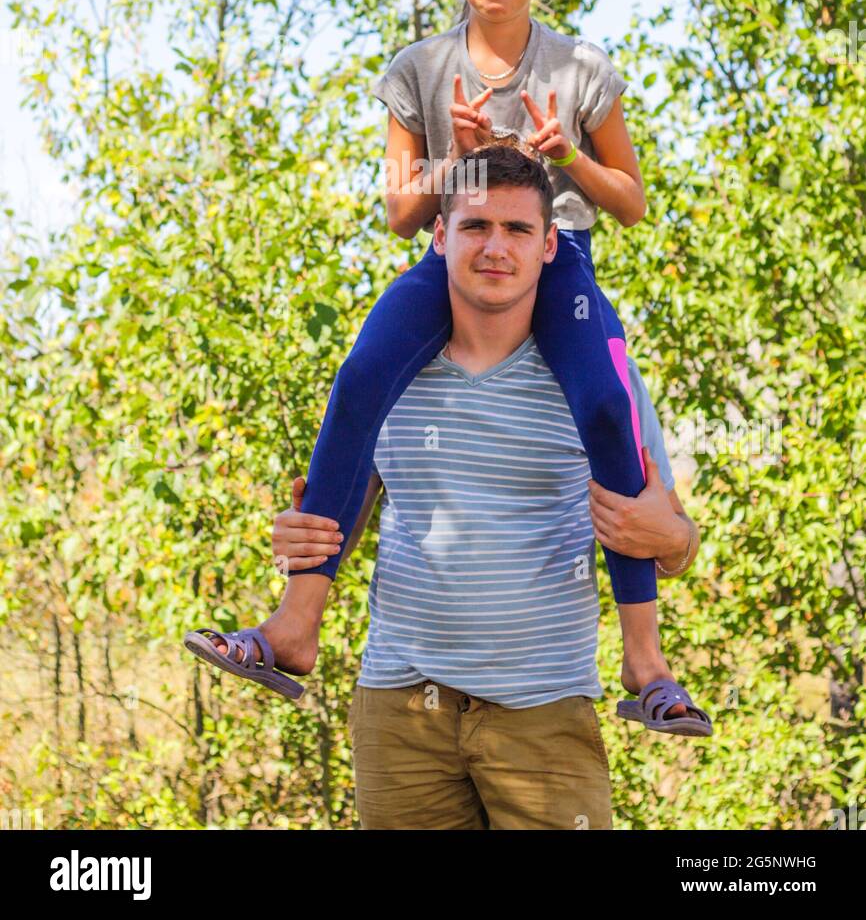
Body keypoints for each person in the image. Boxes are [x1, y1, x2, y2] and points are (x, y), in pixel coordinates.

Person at [183, 0, 709, 733]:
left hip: (556, 253)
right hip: (450, 253)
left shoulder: (580, 69)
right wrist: (451, 156)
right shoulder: (419, 69)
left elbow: (631, 201)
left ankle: (646, 662)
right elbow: (399, 212)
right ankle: (295, 627)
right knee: (358, 382)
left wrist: (568, 157)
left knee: (609, 411)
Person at [276, 144, 710, 829]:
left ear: (548, 247)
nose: (495, 248)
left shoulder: (596, 376)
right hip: (401, 712)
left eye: (517, 230)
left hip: (543, 718)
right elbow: (349, 513)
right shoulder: (390, 368)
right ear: (442, 235)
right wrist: (299, 538)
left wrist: (674, 538)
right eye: (476, 226)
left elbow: (674, 535)